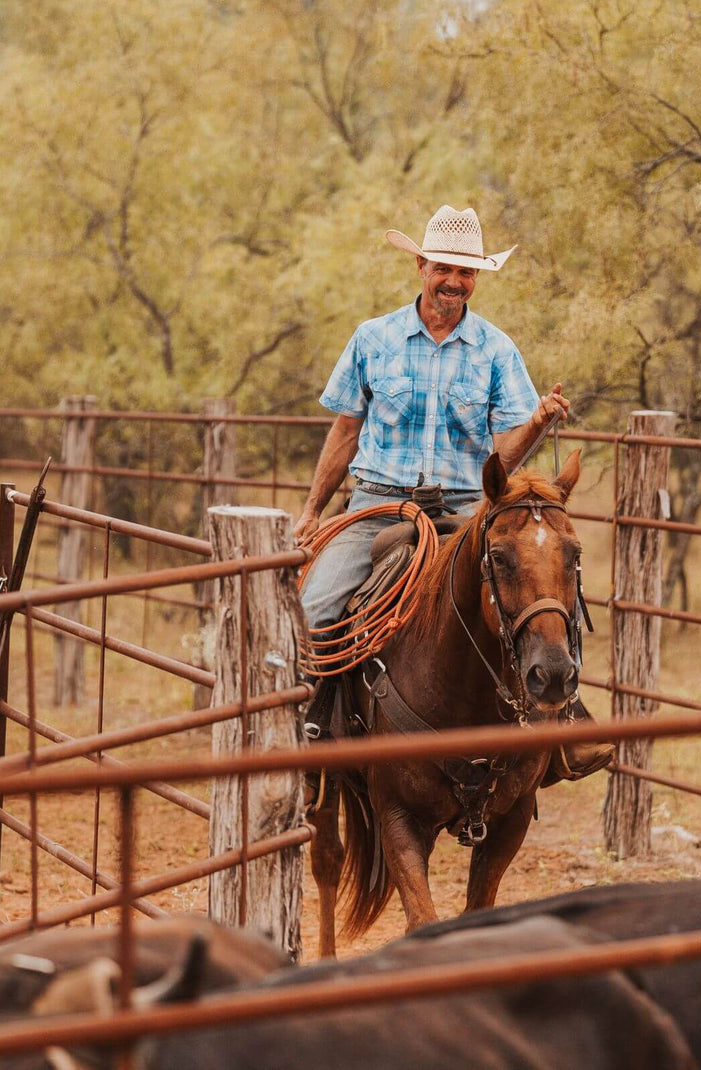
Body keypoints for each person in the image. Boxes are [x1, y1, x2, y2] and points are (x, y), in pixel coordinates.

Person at [295, 205, 612, 778]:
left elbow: (502, 461)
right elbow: (346, 429)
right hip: (377, 503)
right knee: (315, 609)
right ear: (421, 265)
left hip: (467, 509)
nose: (454, 281)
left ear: (476, 278)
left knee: (535, 595)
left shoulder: (496, 350)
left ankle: (562, 722)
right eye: (445, 267)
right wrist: (314, 509)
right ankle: (309, 727)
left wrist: (537, 423)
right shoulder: (374, 339)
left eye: (466, 273)